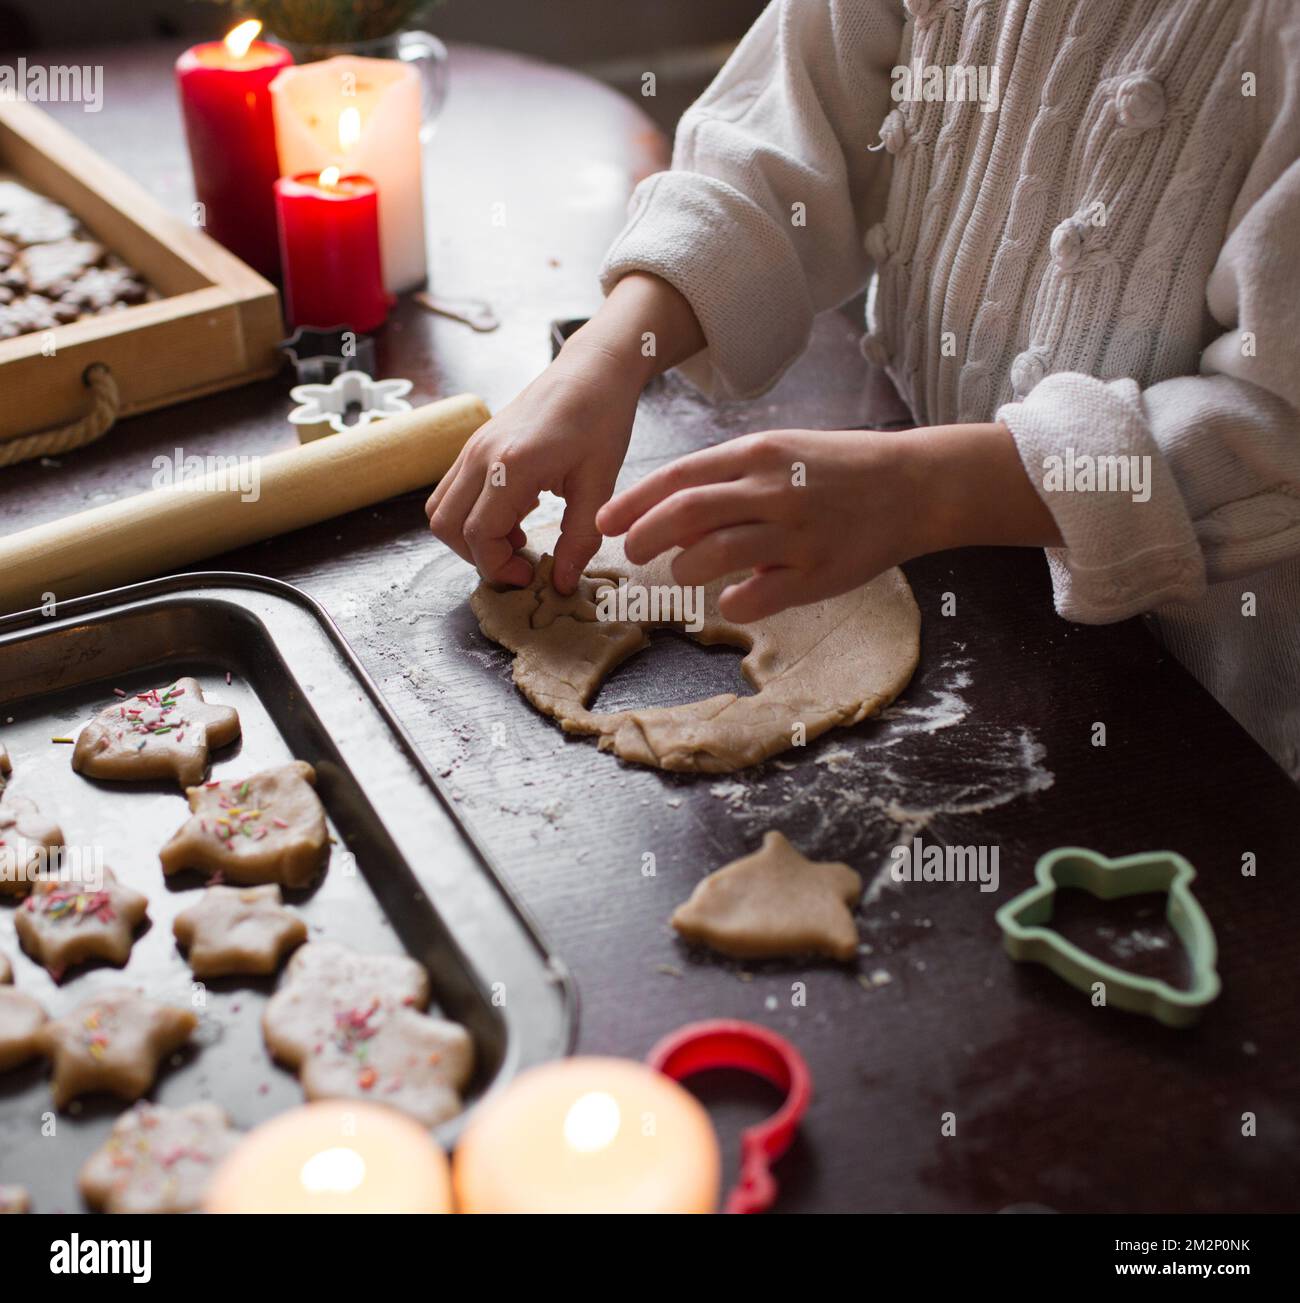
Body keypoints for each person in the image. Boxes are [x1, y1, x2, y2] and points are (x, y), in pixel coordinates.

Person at [427, 0, 1300, 779]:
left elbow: (1277, 424)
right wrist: (607, 355)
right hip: (939, 544)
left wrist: (932, 486)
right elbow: (780, 143)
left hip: (1218, 686)